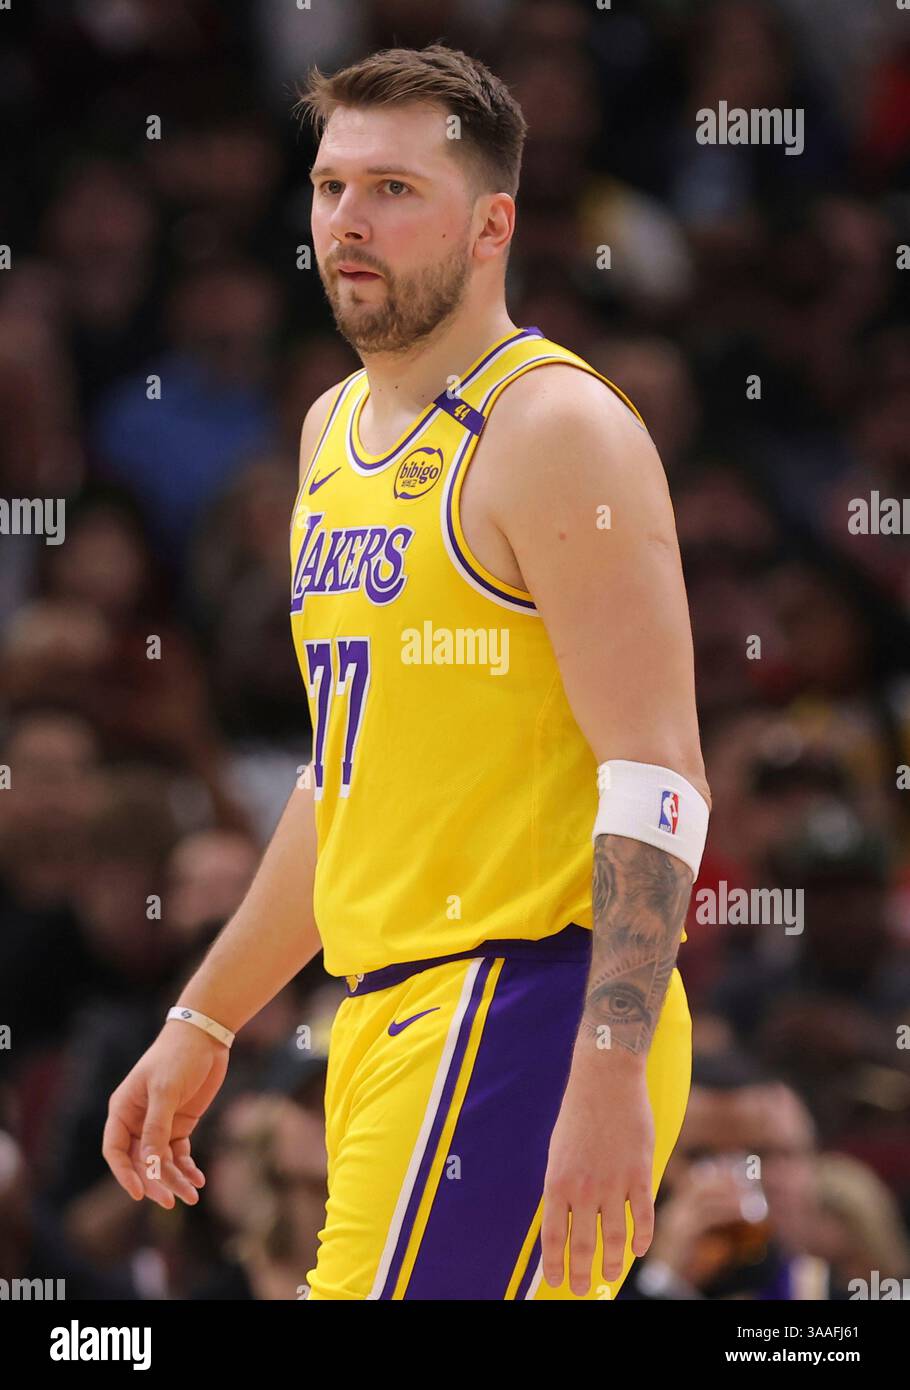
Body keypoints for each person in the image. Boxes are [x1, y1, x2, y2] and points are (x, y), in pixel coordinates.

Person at [103, 43, 711, 1301]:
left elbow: (657, 776)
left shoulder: (557, 428)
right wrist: (204, 1014)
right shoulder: (329, 432)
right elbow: (345, 780)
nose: (346, 222)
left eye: (392, 190)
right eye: (330, 188)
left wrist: (604, 1070)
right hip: (388, 1016)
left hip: (524, 1004)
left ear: (492, 224)